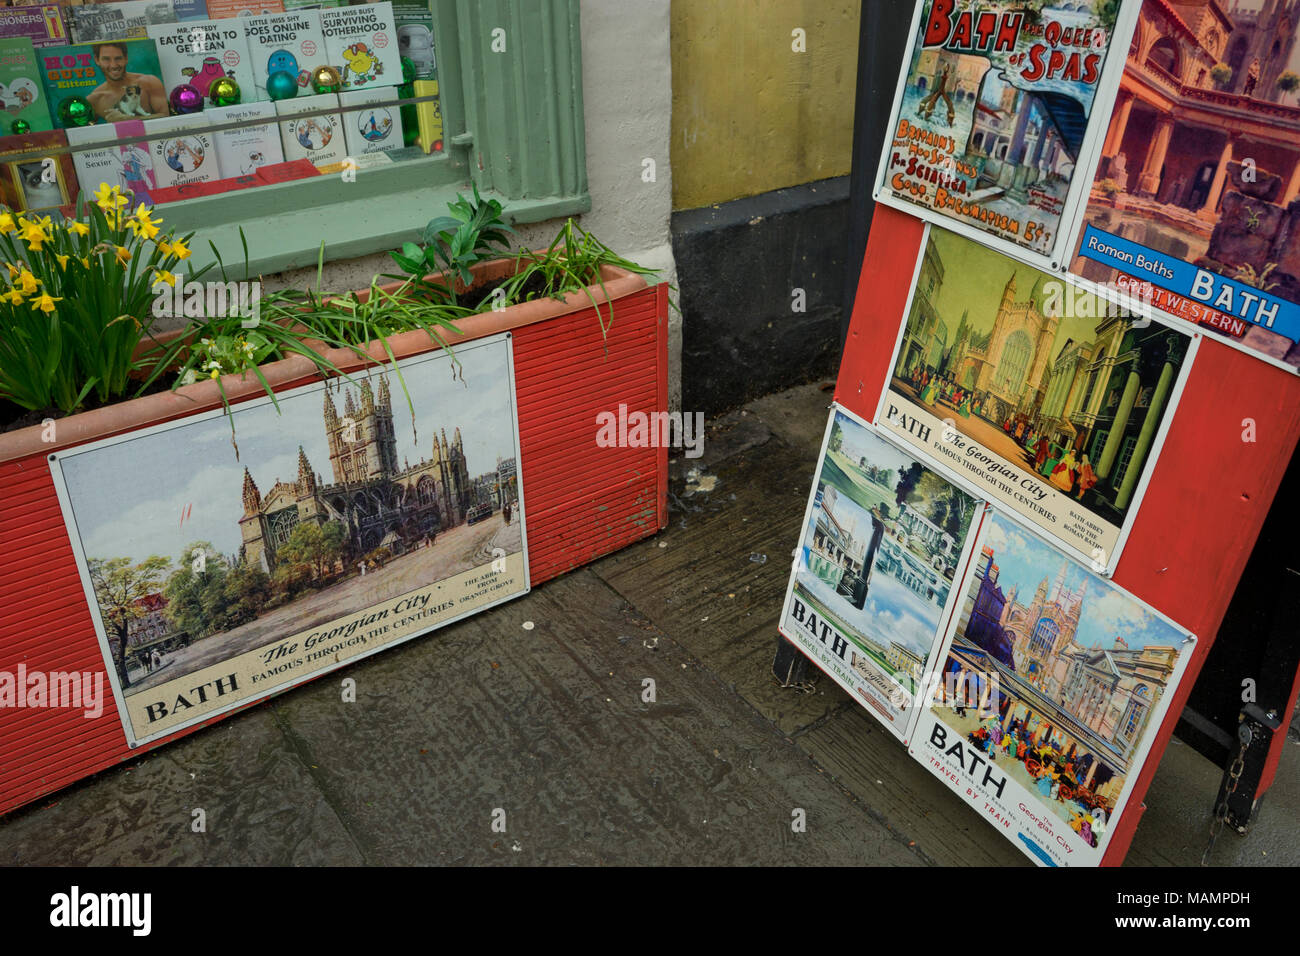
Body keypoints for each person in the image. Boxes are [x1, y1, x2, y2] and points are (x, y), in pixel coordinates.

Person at [86, 43, 168, 122]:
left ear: (126, 58)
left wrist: (127, 119)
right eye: (106, 59)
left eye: (118, 58)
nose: (113, 65)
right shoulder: (95, 100)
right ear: (97, 60)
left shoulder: (150, 82)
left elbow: (166, 116)